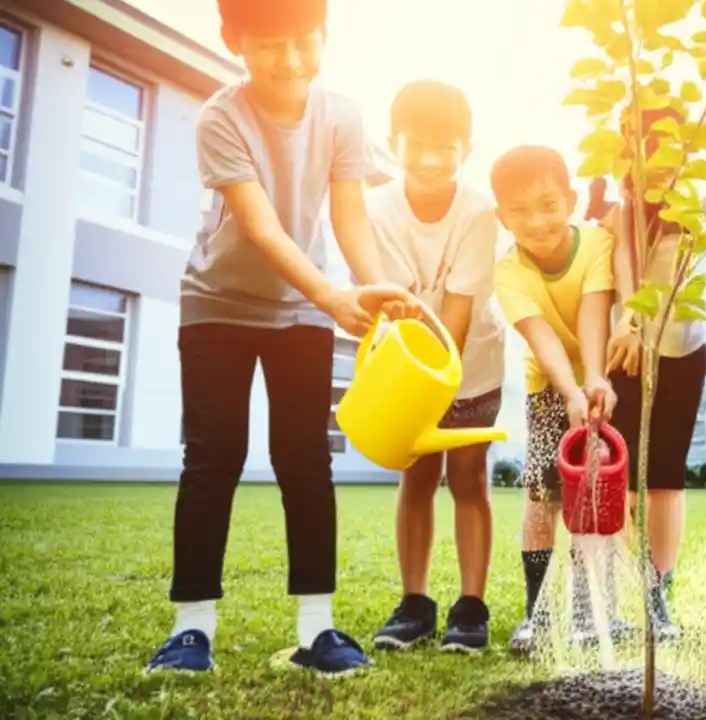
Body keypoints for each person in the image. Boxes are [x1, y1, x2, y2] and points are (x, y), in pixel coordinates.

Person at [145, 0, 420, 676]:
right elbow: (262, 226)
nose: (291, 60)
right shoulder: (219, 118)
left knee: (304, 459)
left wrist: (375, 288)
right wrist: (332, 294)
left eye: (305, 41)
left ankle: (316, 632)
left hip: (301, 309)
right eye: (270, 45)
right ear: (232, 40)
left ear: (324, 35)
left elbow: (348, 214)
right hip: (216, 303)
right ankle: (191, 632)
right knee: (213, 456)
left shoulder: (342, 116)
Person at [365, 80, 504, 654]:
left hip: (470, 362)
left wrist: (439, 382)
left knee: (467, 478)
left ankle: (470, 608)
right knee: (417, 477)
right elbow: (397, 301)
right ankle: (415, 603)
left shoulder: (479, 211)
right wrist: (414, 391)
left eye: (444, 146)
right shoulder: (374, 209)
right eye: (415, 142)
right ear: (391, 141)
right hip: (405, 365)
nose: (428, 158)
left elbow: (459, 309)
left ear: (466, 149)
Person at [489, 145, 620, 656]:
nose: (537, 221)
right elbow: (541, 339)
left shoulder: (597, 244)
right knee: (542, 496)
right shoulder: (508, 272)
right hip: (549, 388)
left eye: (547, 204)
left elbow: (594, 314)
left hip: (602, 377)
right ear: (502, 216)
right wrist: (569, 391)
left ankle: (589, 610)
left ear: (568, 199)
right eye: (519, 212)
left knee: (597, 496)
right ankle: (536, 613)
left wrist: (594, 382)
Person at [588, 108, 706, 644]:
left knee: (666, 477)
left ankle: (659, 591)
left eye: (668, 144)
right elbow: (622, 265)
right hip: (630, 353)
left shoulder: (699, 209)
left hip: (685, 351)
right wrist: (631, 322)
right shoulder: (620, 213)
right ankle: (619, 590)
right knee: (622, 474)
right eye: (642, 143)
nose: (656, 156)